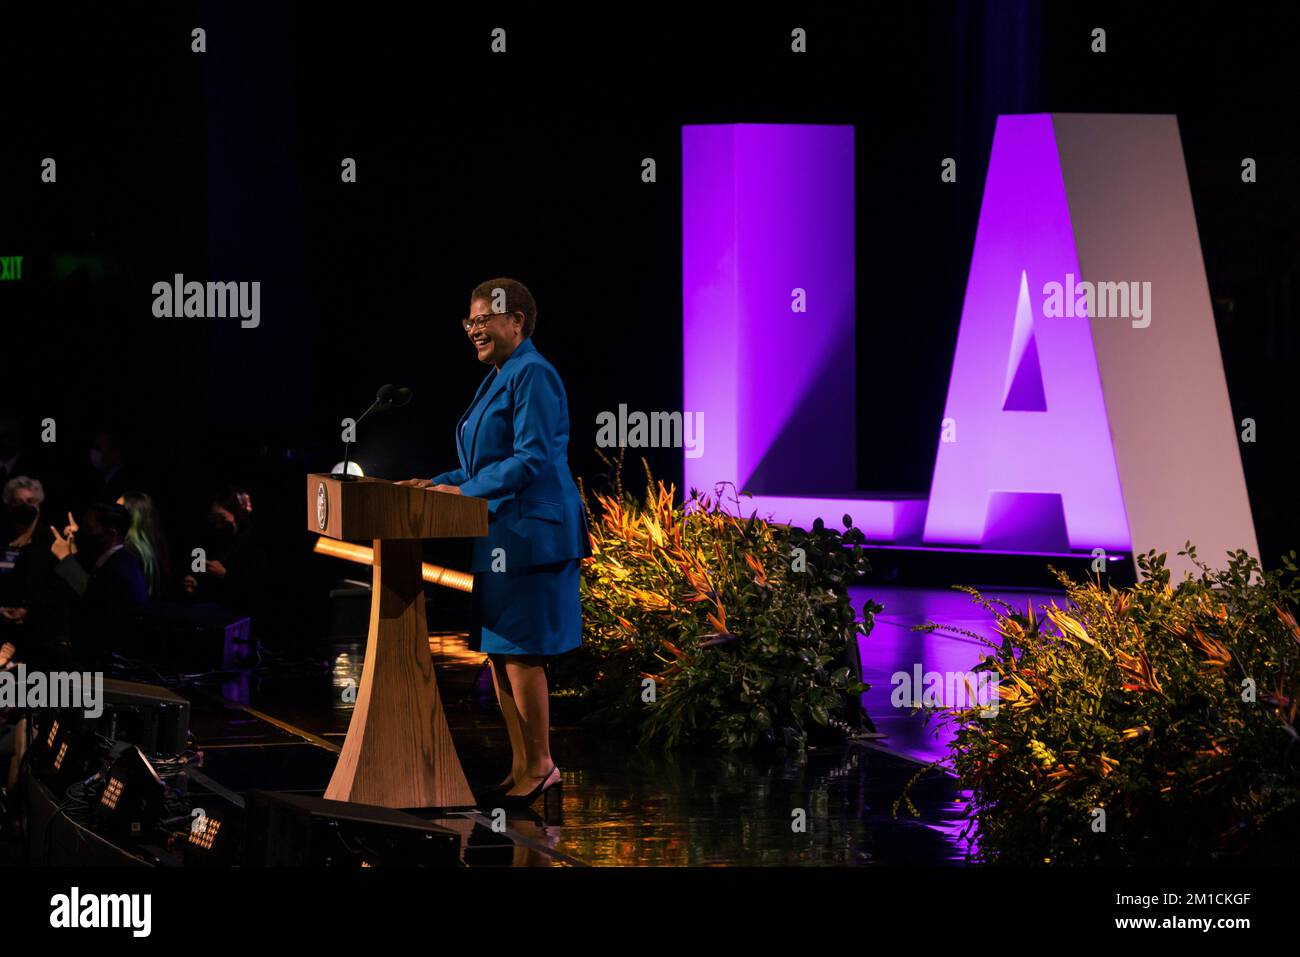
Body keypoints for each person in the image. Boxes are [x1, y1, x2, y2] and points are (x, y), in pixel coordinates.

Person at [399, 278, 590, 810]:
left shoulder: (535, 374)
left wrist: (460, 492)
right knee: (502, 655)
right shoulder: (500, 377)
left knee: (523, 655)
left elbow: (530, 459)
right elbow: (483, 466)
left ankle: (543, 766)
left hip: (534, 534)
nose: (474, 329)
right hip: (504, 533)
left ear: (518, 321)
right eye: (470, 321)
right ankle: (524, 765)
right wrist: (436, 483)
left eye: (484, 319)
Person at [50, 501, 149, 669]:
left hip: (105, 667)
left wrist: (65, 559)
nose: (83, 533)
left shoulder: (121, 568)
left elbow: (93, 599)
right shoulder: (114, 561)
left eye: (88, 528)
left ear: (110, 535)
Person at [116, 492, 172, 599]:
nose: (111, 512)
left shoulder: (130, 551)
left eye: (117, 509)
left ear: (132, 516)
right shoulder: (148, 550)